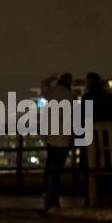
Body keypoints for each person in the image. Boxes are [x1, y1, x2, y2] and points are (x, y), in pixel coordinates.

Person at [41, 73, 75, 209]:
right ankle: (54, 191)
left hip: (51, 134)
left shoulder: (51, 92)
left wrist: (52, 76)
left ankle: (47, 190)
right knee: (58, 166)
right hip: (65, 136)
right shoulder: (71, 96)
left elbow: (43, 82)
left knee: (50, 164)